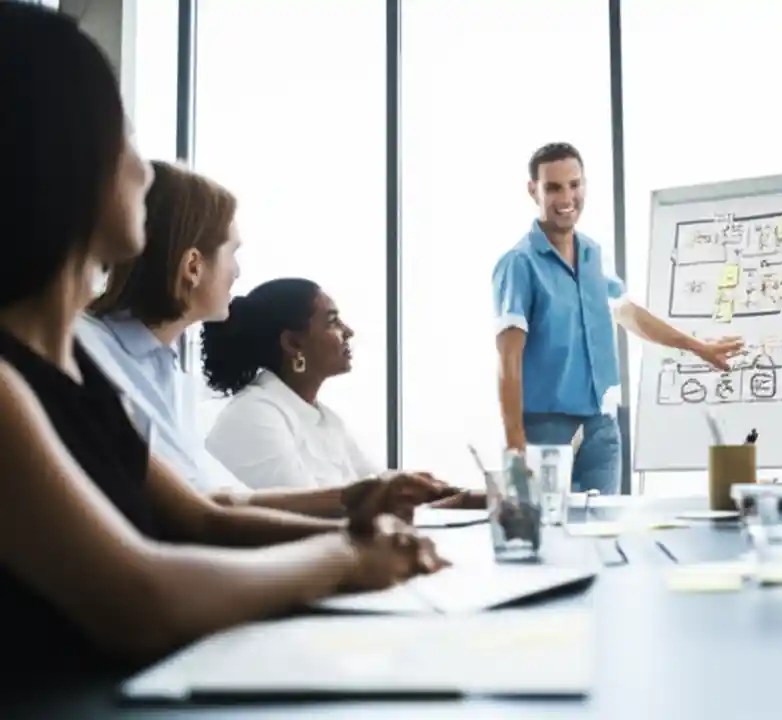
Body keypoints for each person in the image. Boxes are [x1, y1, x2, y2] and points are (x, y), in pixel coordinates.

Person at [0, 3, 443, 676]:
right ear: (60, 160)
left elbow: (205, 519)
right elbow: (136, 598)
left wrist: (369, 535)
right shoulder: (8, 387)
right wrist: (346, 556)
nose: (146, 173)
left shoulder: (77, 376)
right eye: (123, 138)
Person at [81, 160, 468, 518]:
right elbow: (207, 516)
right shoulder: (92, 356)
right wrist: (355, 542)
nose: (237, 271)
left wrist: (383, 497)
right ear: (194, 267)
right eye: (232, 252)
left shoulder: (167, 375)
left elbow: (222, 499)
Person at [494, 142, 743, 494]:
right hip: (545, 433)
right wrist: (515, 447)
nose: (567, 196)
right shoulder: (518, 264)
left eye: (575, 184)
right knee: (548, 535)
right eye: (553, 187)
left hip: (601, 428)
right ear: (533, 189)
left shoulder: (593, 254)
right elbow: (508, 361)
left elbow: (627, 313)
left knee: (603, 533)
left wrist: (695, 345)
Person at [200, 277, 483, 509]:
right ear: (293, 343)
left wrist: (465, 497)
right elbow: (312, 513)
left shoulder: (324, 419)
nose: (348, 331)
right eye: (333, 321)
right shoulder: (253, 415)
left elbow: (379, 487)